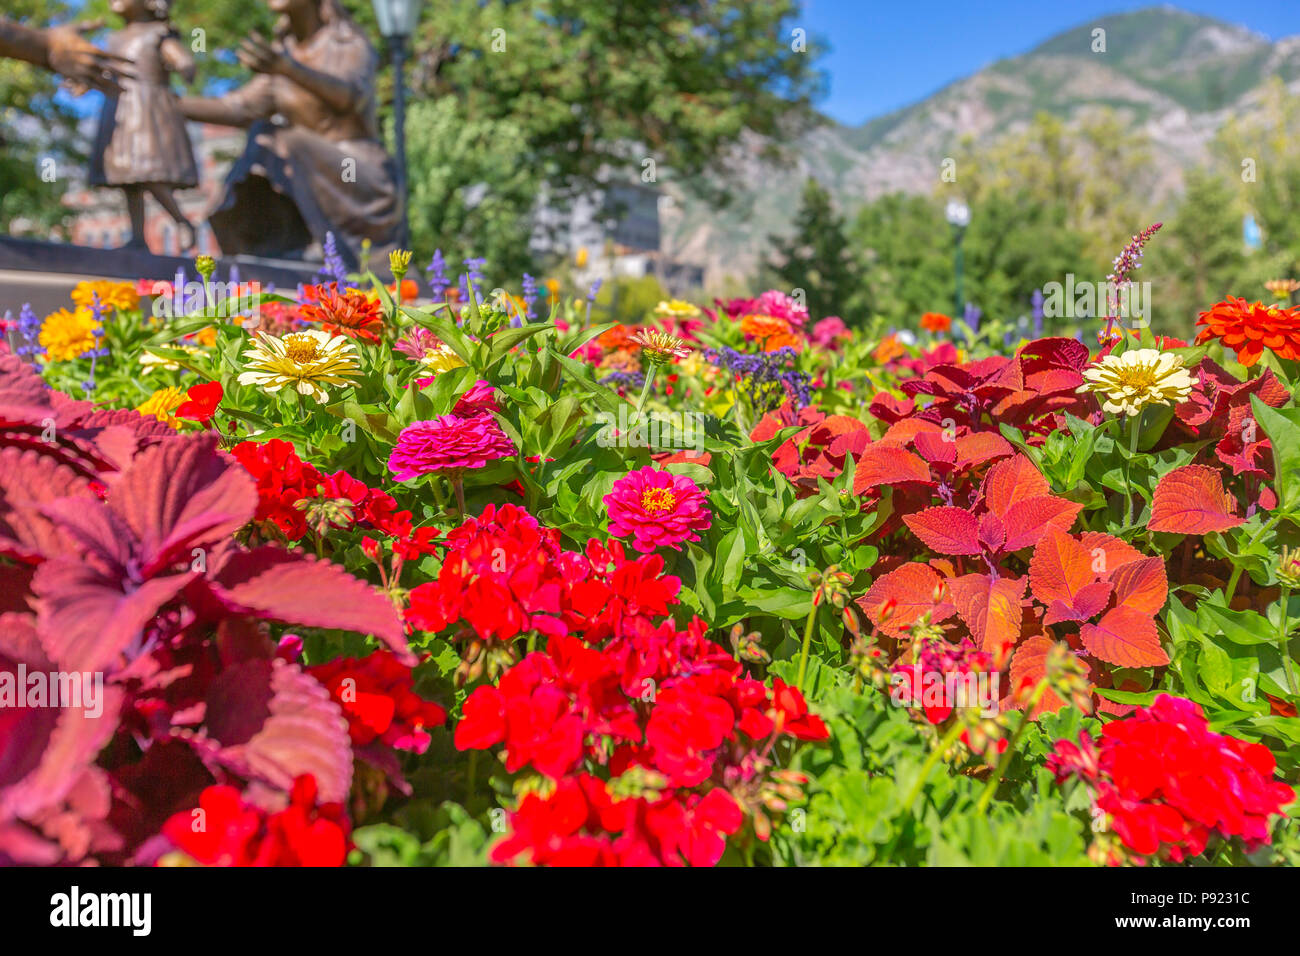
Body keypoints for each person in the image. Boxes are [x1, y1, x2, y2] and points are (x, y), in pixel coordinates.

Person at [179, 0, 402, 270]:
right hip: (303, 160)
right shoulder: (282, 53)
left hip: (355, 171)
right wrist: (166, 103)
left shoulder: (347, 42)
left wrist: (288, 68)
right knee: (265, 133)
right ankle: (271, 244)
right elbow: (238, 108)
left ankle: (325, 248)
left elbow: (350, 97)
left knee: (287, 139)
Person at [89, 0, 199, 251]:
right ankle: (138, 237)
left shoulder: (157, 33)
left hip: (147, 108)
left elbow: (180, 57)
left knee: (147, 172)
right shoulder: (114, 38)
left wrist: (185, 64)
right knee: (127, 177)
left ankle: (181, 220)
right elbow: (107, 71)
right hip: (119, 107)